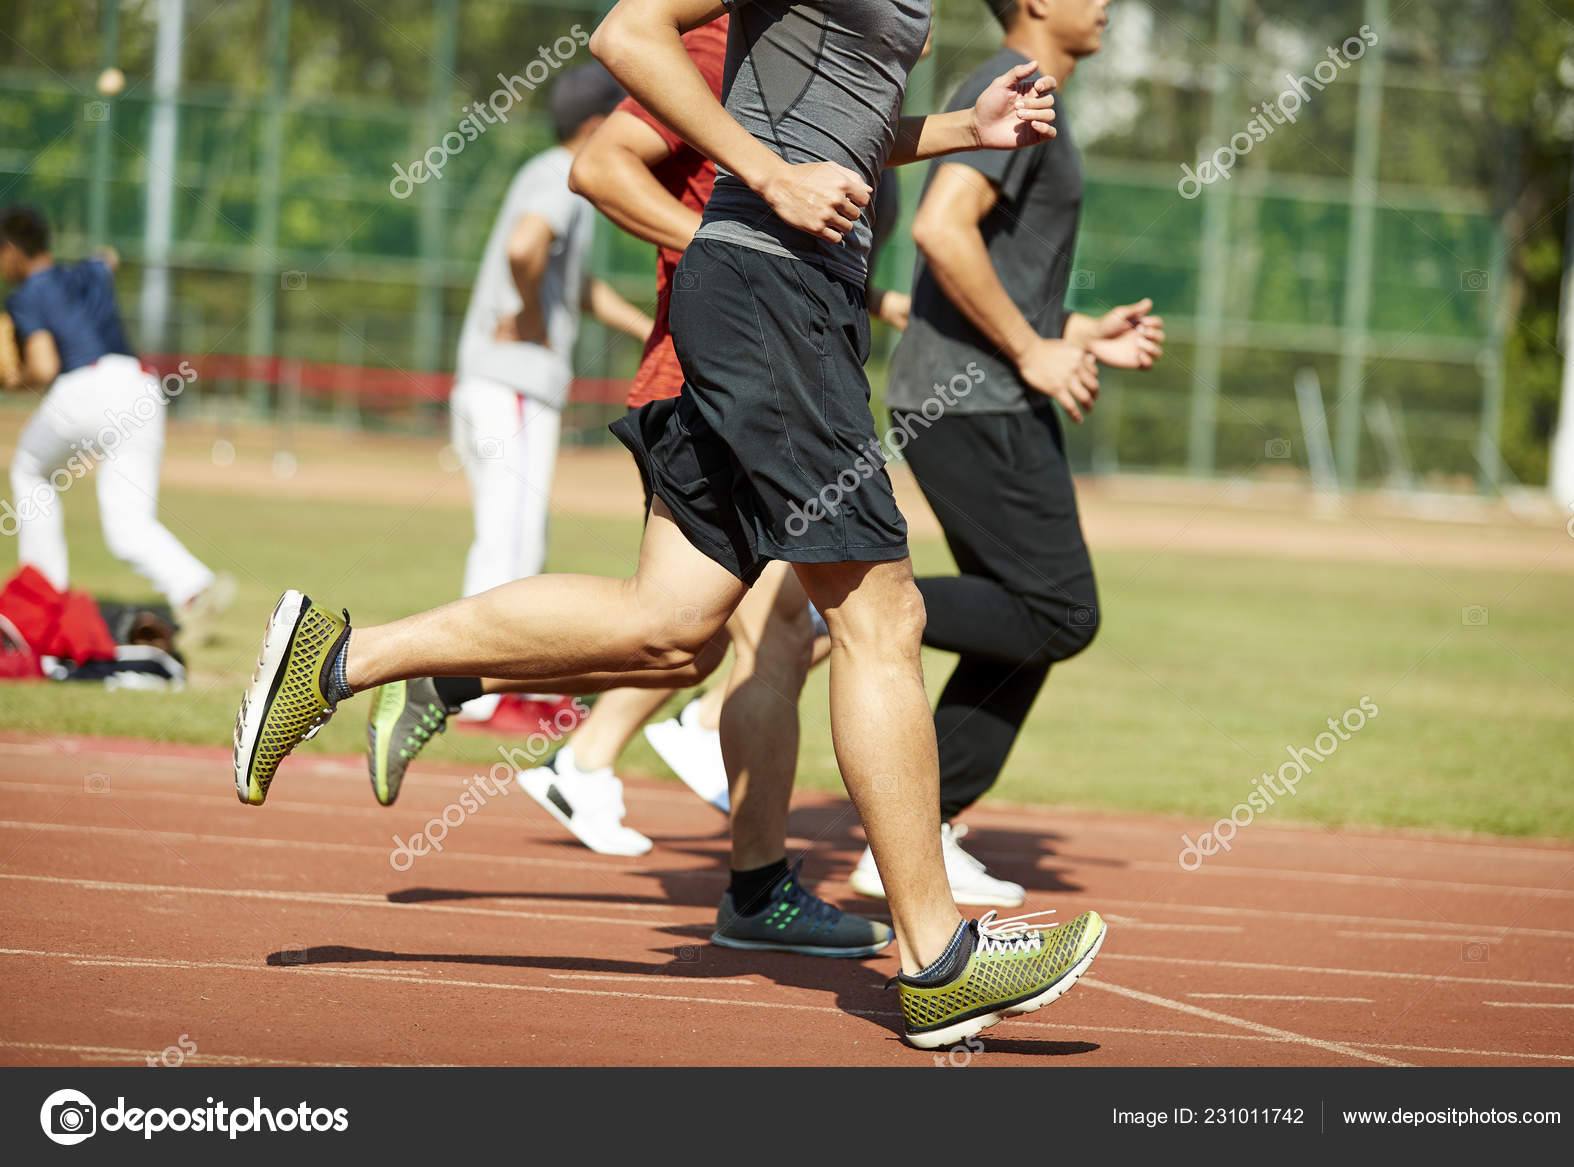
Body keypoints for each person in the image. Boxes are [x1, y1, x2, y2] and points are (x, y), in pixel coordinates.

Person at [234, 0, 1105, 1050]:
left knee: (670, 626)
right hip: (766, 292)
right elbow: (626, 34)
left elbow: (841, 132)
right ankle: (937, 961)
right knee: (882, 614)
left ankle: (340, 658)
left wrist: (964, 133)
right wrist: (769, 177)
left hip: (793, 301)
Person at [365, 15, 892, 963]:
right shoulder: (725, 36)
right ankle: (751, 878)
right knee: (780, 629)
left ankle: (457, 680)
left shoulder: (828, 55)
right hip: (721, 366)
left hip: (773, 362)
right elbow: (603, 165)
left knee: (682, 640)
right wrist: (739, 257)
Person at [851, 0, 1164, 909]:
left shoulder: (1028, 92)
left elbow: (989, 268)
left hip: (975, 394)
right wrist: (1031, 351)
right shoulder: (1011, 86)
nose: (1105, 1)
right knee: (1060, 611)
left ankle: (920, 829)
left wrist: (1074, 331)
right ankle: (853, 604)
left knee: (1031, 622)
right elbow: (940, 229)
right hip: (972, 400)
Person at [447, 63, 654, 733]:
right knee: (510, 537)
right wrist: (529, 312)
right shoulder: (563, 173)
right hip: (510, 378)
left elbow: (577, 285)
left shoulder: (552, 170)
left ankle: (484, 682)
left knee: (511, 534)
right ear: (596, 127)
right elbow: (523, 247)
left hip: (503, 379)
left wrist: (651, 326)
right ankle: (479, 687)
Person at [2, 206, 226, 629]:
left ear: (12, 249)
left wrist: (12, 379)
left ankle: (44, 593)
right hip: (140, 389)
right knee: (127, 526)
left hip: (85, 389)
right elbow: (108, 257)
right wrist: (101, 260)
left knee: (29, 470)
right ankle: (193, 586)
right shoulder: (90, 271)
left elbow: (45, 367)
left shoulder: (28, 294)